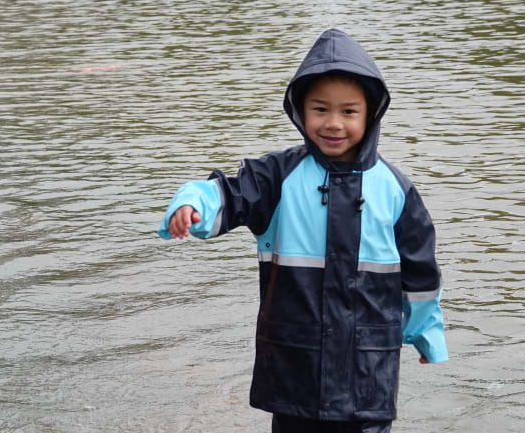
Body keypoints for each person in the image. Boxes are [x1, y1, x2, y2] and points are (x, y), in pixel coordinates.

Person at [159, 28, 448, 433]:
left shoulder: (395, 190)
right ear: (300, 110)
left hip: (367, 369)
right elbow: (228, 192)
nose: (333, 124)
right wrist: (192, 205)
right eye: (320, 109)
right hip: (296, 365)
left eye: (349, 112)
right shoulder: (278, 176)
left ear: (371, 113)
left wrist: (425, 333)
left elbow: (421, 274)